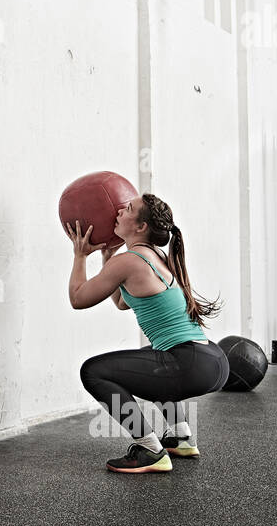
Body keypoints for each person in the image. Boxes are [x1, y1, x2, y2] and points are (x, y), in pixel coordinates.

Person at [65, 192, 229, 473]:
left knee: (92, 371)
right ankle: (180, 436)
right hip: (211, 359)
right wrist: (108, 258)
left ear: (140, 227)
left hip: (189, 363)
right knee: (149, 360)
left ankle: (150, 450)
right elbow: (120, 302)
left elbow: (78, 299)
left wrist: (80, 256)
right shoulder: (155, 255)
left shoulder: (129, 260)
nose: (117, 212)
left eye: (127, 209)